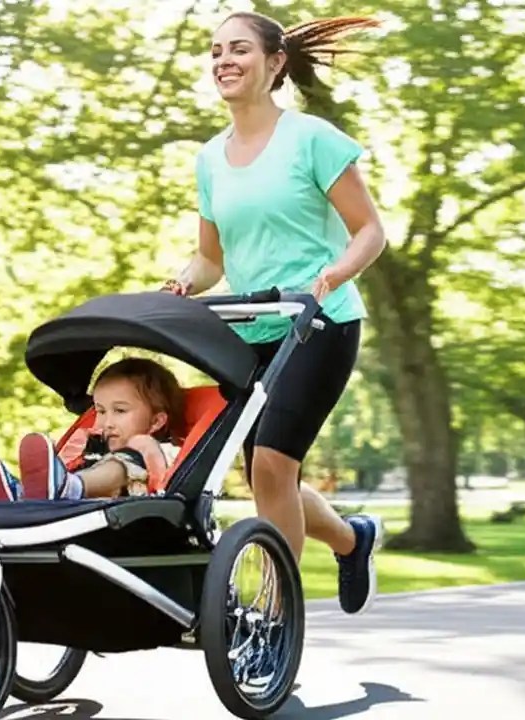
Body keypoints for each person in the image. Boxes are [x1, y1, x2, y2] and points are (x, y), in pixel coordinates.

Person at [163, 11, 388, 616]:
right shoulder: (210, 159)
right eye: (215, 51)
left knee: (271, 466)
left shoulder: (312, 139)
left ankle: (277, 622)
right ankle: (351, 538)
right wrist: (185, 280)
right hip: (250, 328)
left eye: (238, 49)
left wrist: (337, 272)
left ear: (274, 63)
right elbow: (210, 259)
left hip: (320, 322)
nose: (223, 60)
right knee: (268, 480)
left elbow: (370, 231)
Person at [0, 358, 185, 502]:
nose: (107, 422)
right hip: (84, 517)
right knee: (85, 460)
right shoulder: (96, 446)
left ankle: (69, 487)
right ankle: (25, 497)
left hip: (136, 522)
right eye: (101, 411)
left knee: (134, 450)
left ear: (156, 421)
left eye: (120, 411)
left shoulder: (162, 450)